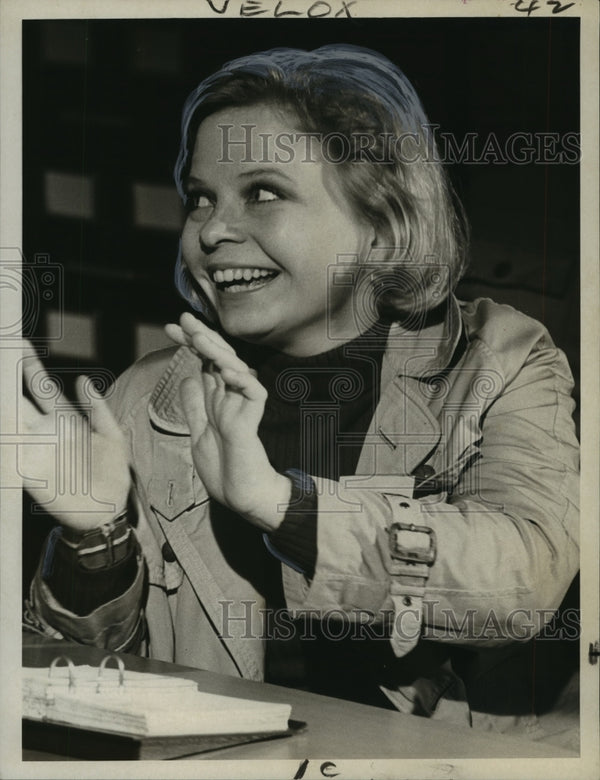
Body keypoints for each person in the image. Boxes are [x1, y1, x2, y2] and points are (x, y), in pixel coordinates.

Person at [23, 45, 579, 741]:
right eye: (201, 198)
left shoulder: (500, 358)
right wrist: (95, 539)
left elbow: (524, 580)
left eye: (262, 191)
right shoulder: (148, 395)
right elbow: (100, 691)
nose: (213, 231)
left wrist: (281, 506)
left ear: (380, 227)